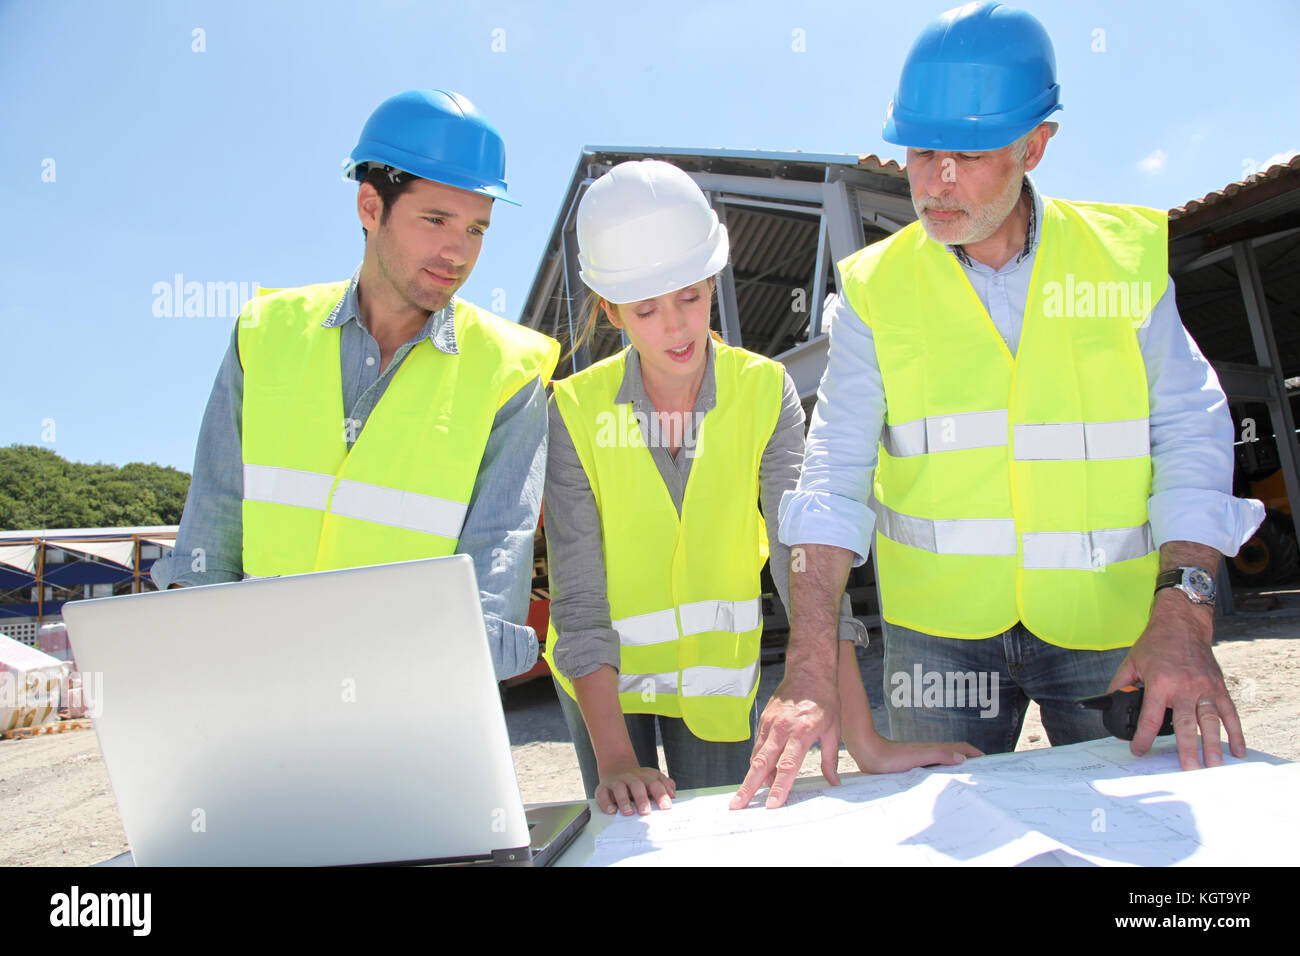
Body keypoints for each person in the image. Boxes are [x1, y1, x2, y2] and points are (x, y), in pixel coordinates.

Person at [734, 2, 1267, 811]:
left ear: (1035, 145)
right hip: (939, 644)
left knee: (1145, 831)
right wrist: (809, 663)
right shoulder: (878, 288)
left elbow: (1190, 428)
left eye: (969, 154)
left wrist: (1186, 614)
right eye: (921, 152)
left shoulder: (1120, 261)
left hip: (1108, 628)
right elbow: (832, 474)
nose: (936, 183)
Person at [542, 159, 979, 817]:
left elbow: (803, 554)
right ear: (611, 311)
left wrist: (863, 738)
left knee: (722, 842)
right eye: (646, 309)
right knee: (627, 838)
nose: (676, 326)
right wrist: (615, 761)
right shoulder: (572, 409)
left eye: (691, 296)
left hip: (718, 686)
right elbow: (577, 595)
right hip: (599, 686)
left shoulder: (763, 391)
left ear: (713, 277)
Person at [151, 89, 560, 679]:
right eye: (436, 220)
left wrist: (462, 681)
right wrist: (199, 663)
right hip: (259, 678)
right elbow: (214, 514)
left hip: (412, 691)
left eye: (476, 229)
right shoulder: (265, 333)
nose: (457, 252)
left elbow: (498, 546)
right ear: (371, 206)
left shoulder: (510, 369)